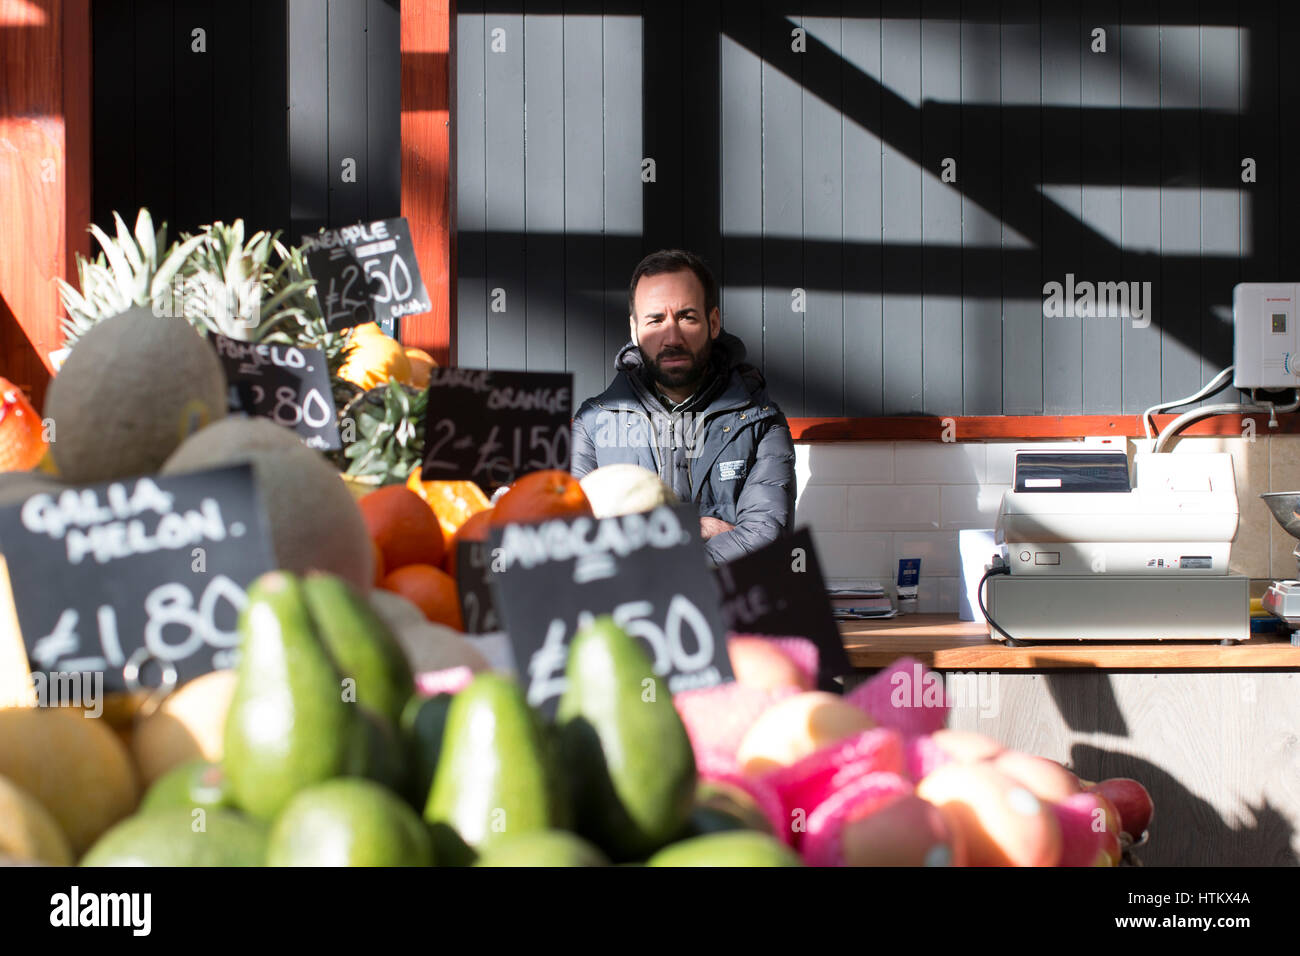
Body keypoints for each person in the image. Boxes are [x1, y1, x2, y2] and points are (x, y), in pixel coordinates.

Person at [570, 249, 796, 565]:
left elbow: (766, 541)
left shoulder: (761, 422)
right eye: (655, 319)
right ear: (635, 330)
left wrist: (642, 545)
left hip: (729, 612)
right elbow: (579, 541)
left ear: (713, 323)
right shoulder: (592, 424)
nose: (671, 336)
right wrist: (689, 527)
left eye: (686, 317)